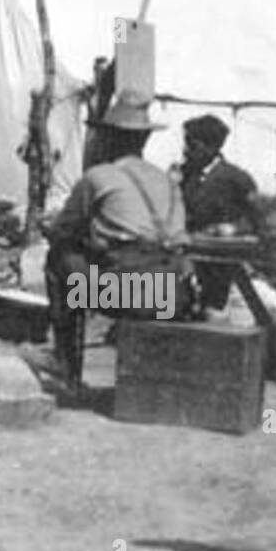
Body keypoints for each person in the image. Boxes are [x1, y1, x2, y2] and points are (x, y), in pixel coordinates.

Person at [44, 90, 191, 383]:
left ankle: (65, 363)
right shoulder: (168, 181)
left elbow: (63, 230)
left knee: (59, 257)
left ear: (108, 139)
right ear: (144, 140)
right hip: (175, 295)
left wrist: (50, 226)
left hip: (131, 295)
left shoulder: (98, 176)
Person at [179, 113, 276, 310]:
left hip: (223, 263)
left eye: (192, 145)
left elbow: (258, 218)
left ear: (211, 147)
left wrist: (232, 229)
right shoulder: (185, 176)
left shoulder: (236, 179)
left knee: (218, 305)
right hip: (192, 255)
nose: (185, 151)